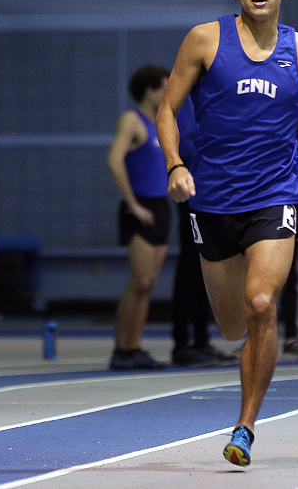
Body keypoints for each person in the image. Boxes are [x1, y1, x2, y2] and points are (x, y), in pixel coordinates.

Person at [156, 0, 298, 467]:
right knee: (233, 325)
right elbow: (166, 111)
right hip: (212, 199)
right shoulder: (204, 39)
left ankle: (245, 427)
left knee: (261, 303)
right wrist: (175, 166)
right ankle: (244, 370)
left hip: (275, 194)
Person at [105, 65, 173, 371]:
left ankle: (134, 347)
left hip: (160, 206)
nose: (169, 93)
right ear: (150, 90)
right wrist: (132, 204)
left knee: (149, 285)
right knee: (140, 281)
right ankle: (121, 349)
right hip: (141, 206)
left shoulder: (161, 122)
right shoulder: (131, 120)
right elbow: (114, 159)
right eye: (165, 88)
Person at [170, 98, 237, 367]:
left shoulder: (215, 96)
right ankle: (182, 344)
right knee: (191, 266)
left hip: (215, 190)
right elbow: (187, 144)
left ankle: (201, 340)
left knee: (205, 266)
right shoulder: (187, 100)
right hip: (194, 190)